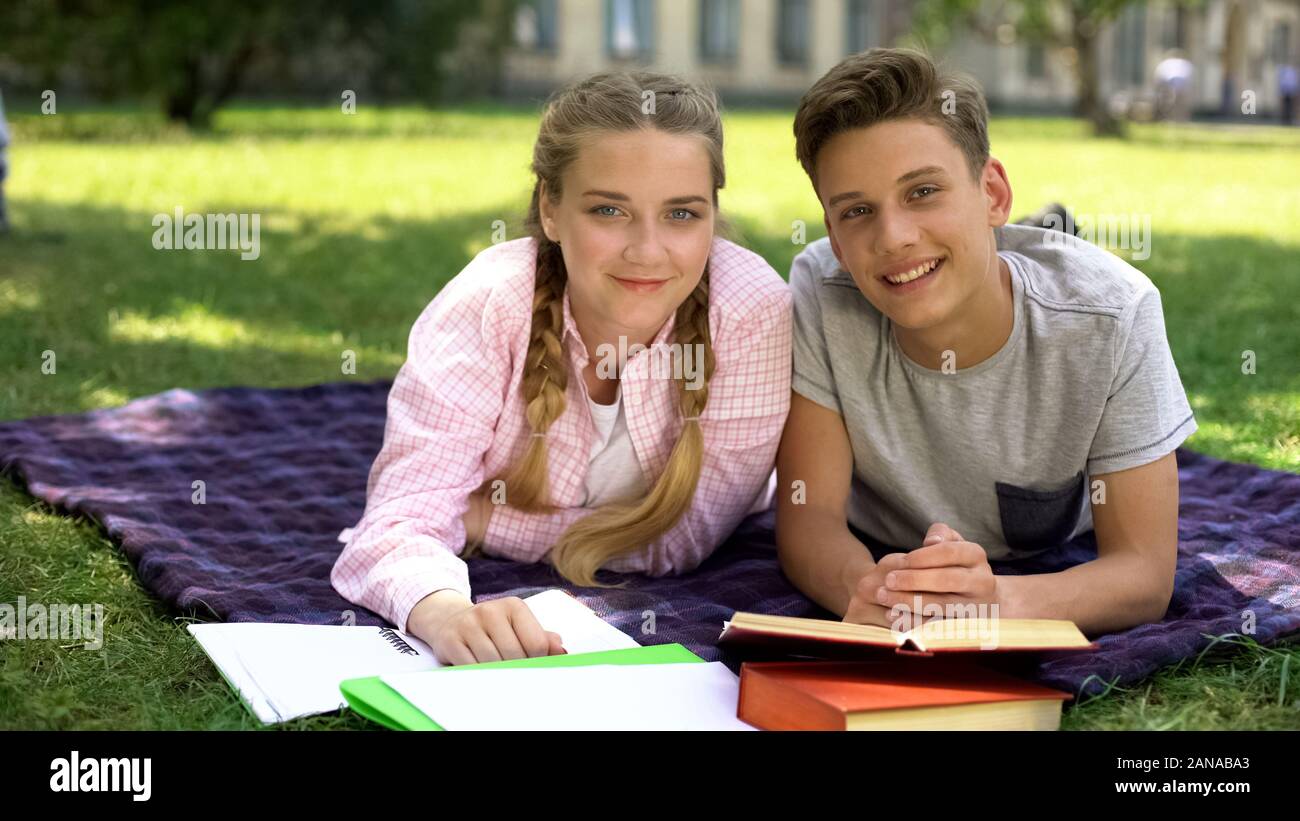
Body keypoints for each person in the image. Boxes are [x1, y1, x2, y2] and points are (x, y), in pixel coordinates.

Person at [333, 71, 792, 665]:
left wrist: (485, 521)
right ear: (551, 209)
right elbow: (396, 524)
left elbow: (686, 539)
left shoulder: (751, 310)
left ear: (712, 213)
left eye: (681, 214)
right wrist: (445, 611)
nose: (647, 250)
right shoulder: (491, 303)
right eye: (609, 210)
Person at [776, 48, 1196, 637]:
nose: (893, 237)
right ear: (836, 240)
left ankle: (1047, 234)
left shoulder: (1115, 313)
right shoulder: (822, 290)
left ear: (993, 192)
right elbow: (808, 519)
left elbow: (1144, 574)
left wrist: (986, 602)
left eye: (923, 192)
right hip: (883, 544)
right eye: (858, 211)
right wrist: (868, 592)